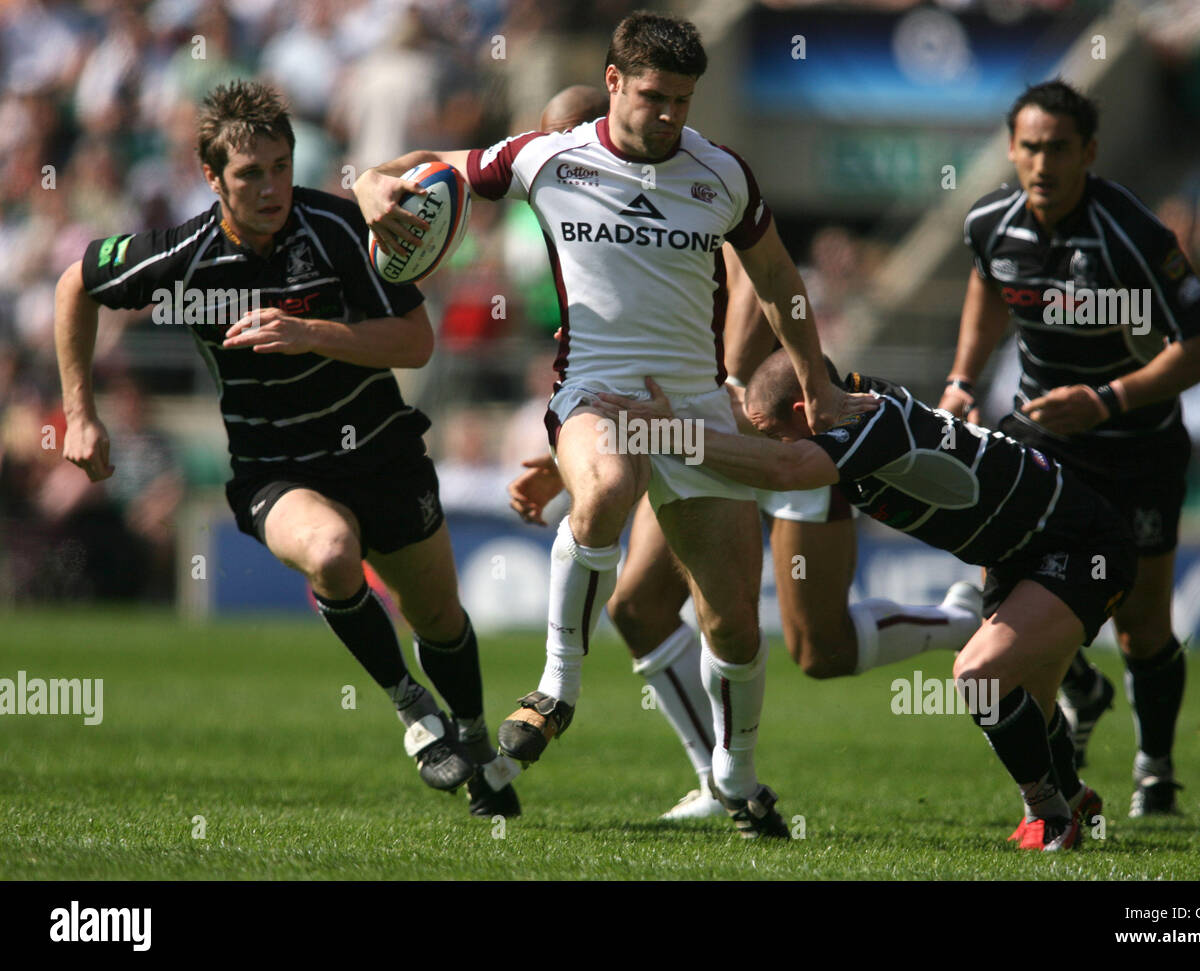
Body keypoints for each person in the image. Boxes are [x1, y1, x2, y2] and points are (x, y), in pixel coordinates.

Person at [355, 12, 867, 838]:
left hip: (695, 408)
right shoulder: (548, 156)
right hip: (592, 391)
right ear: (616, 82)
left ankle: (734, 772)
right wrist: (371, 183)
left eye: (684, 101)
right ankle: (557, 687)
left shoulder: (723, 176)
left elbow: (777, 280)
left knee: (731, 618)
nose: (669, 116)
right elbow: (429, 168)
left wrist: (818, 383)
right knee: (612, 482)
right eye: (655, 96)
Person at [507, 84, 984, 821]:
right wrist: (563, 459)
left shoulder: (691, 184)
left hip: (775, 424)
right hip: (688, 432)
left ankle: (966, 625)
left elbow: (757, 283)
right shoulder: (580, 213)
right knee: (637, 609)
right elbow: (611, 381)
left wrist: (726, 379)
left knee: (818, 647)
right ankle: (725, 782)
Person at [54, 80, 520, 819]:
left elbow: (415, 339)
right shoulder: (185, 254)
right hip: (275, 469)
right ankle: (413, 710)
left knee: (440, 617)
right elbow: (76, 282)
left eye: (281, 165)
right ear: (212, 178)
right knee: (332, 552)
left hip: (380, 449)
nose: (271, 187)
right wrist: (81, 414)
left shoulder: (336, 228)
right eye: (250, 173)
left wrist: (311, 331)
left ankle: (474, 741)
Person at [598, 352, 1139, 850]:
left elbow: (785, 469)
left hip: (1082, 546)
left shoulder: (869, 420)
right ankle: (1071, 798)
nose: (772, 441)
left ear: (801, 411)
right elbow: (752, 424)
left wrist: (667, 433)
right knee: (1028, 700)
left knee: (980, 677)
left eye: (777, 431)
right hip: (1018, 555)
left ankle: (1050, 818)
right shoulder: (831, 409)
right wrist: (670, 419)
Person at [935, 80, 1200, 816]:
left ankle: (1155, 766)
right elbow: (987, 287)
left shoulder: (1133, 234)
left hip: (1137, 448)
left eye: (1059, 148)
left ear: (1089, 153)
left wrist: (1105, 397)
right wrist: (963, 379)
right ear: (1011, 149)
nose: (1042, 162)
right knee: (1000, 587)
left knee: (1143, 623)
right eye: (1029, 147)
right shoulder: (992, 225)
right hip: (1044, 438)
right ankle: (1075, 696)